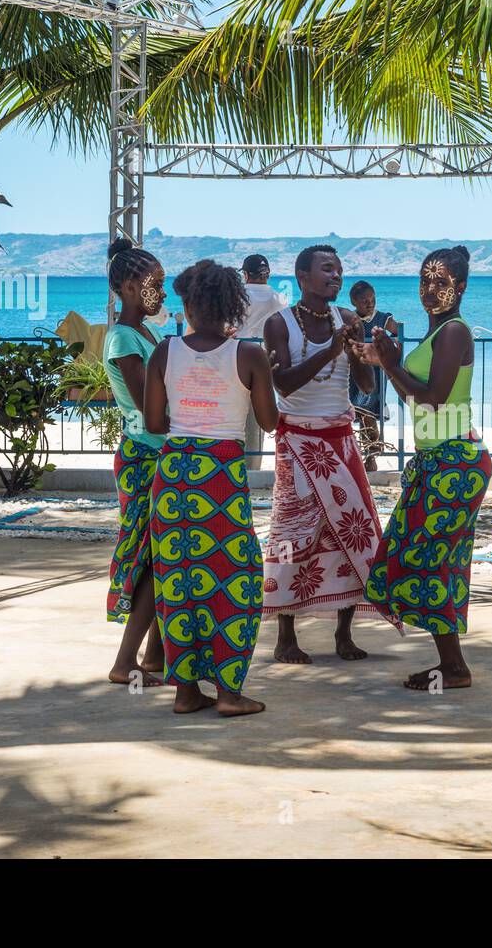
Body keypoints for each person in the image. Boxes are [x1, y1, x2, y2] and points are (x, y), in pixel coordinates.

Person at [142, 259, 278, 716]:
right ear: (232, 305)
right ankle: (228, 692)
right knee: (234, 578)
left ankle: (185, 692)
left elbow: (154, 422)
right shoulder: (248, 355)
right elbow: (269, 422)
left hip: (174, 471)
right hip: (219, 473)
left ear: (187, 303)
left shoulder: (165, 352)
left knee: (177, 578)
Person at [361, 245, 492, 690]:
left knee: (428, 560)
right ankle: (453, 664)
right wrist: (386, 362)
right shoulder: (434, 335)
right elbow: (413, 397)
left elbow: (434, 399)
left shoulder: (454, 332)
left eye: (441, 281)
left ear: (461, 288)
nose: (430, 289)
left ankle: (455, 667)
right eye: (424, 280)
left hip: (455, 462)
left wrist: (392, 363)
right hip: (436, 461)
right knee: (427, 559)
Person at [261, 245, 382, 664]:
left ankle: (344, 634)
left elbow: (365, 384)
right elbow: (283, 386)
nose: (336, 276)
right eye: (327, 269)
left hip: (341, 440)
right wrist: (329, 352)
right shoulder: (279, 324)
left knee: (352, 531)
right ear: (302, 277)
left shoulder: (348, 321)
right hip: (298, 443)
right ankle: (286, 636)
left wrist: (354, 351)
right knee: (293, 536)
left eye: (340, 270)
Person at [102, 238, 168, 687]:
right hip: (144, 455)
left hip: (158, 451)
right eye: (154, 285)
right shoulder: (123, 338)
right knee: (150, 557)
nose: (161, 294)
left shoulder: (148, 333)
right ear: (128, 286)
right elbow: (150, 404)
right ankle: (125, 662)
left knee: (163, 555)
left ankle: (154, 657)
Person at [238, 254, 286, 472]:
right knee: (259, 418)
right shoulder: (280, 299)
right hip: (266, 362)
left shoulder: (235, 297)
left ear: (246, 275)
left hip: (236, 360)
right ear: (267, 274)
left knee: (235, 416)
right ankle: (254, 466)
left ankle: (237, 465)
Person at [347, 280, 398, 471]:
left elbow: (398, 333)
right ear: (354, 301)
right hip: (354, 373)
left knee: (365, 410)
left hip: (374, 373)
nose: (370, 304)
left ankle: (371, 455)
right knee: (355, 411)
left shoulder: (382, 318)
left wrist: (388, 352)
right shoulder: (351, 319)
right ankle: (362, 454)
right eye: (364, 301)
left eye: (372, 299)